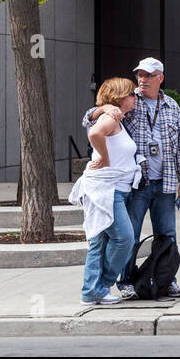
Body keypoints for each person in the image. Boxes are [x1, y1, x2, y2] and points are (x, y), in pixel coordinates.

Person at [81, 57, 180, 299]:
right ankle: (126, 282)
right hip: (137, 184)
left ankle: (166, 280)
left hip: (165, 182)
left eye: (148, 75)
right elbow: (89, 120)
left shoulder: (172, 106)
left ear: (160, 78)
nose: (142, 79)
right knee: (130, 236)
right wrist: (103, 109)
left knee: (168, 235)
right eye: (139, 75)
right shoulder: (129, 100)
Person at [70, 78, 142, 306]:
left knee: (99, 241)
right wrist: (104, 157)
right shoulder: (110, 118)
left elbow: (93, 123)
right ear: (120, 96)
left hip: (113, 189)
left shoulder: (115, 117)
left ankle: (91, 290)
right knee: (124, 239)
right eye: (132, 94)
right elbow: (94, 134)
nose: (135, 98)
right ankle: (103, 284)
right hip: (108, 190)